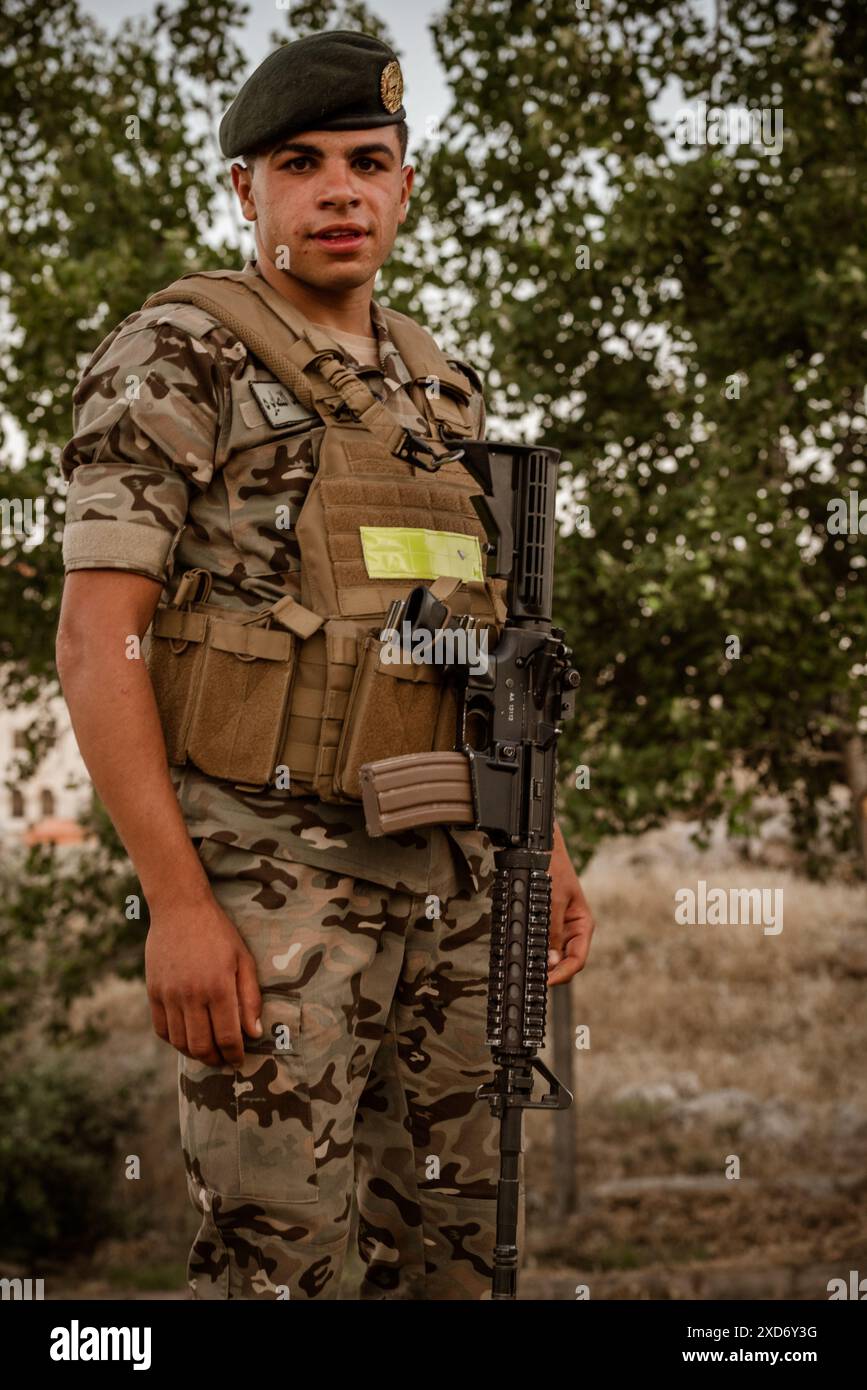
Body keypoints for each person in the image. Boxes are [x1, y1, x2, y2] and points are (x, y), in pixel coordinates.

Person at [56, 29, 595, 1300]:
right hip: (269, 882)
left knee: (461, 1259)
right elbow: (97, 639)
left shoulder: (439, 387)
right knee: (281, 1267)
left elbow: (488, 644)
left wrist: (547, 838)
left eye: (370, 161)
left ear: (407, 182)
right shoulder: (177, 355)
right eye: (302, 163)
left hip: (456, 879)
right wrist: (177, 903)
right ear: (248, 189)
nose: (341, 190)